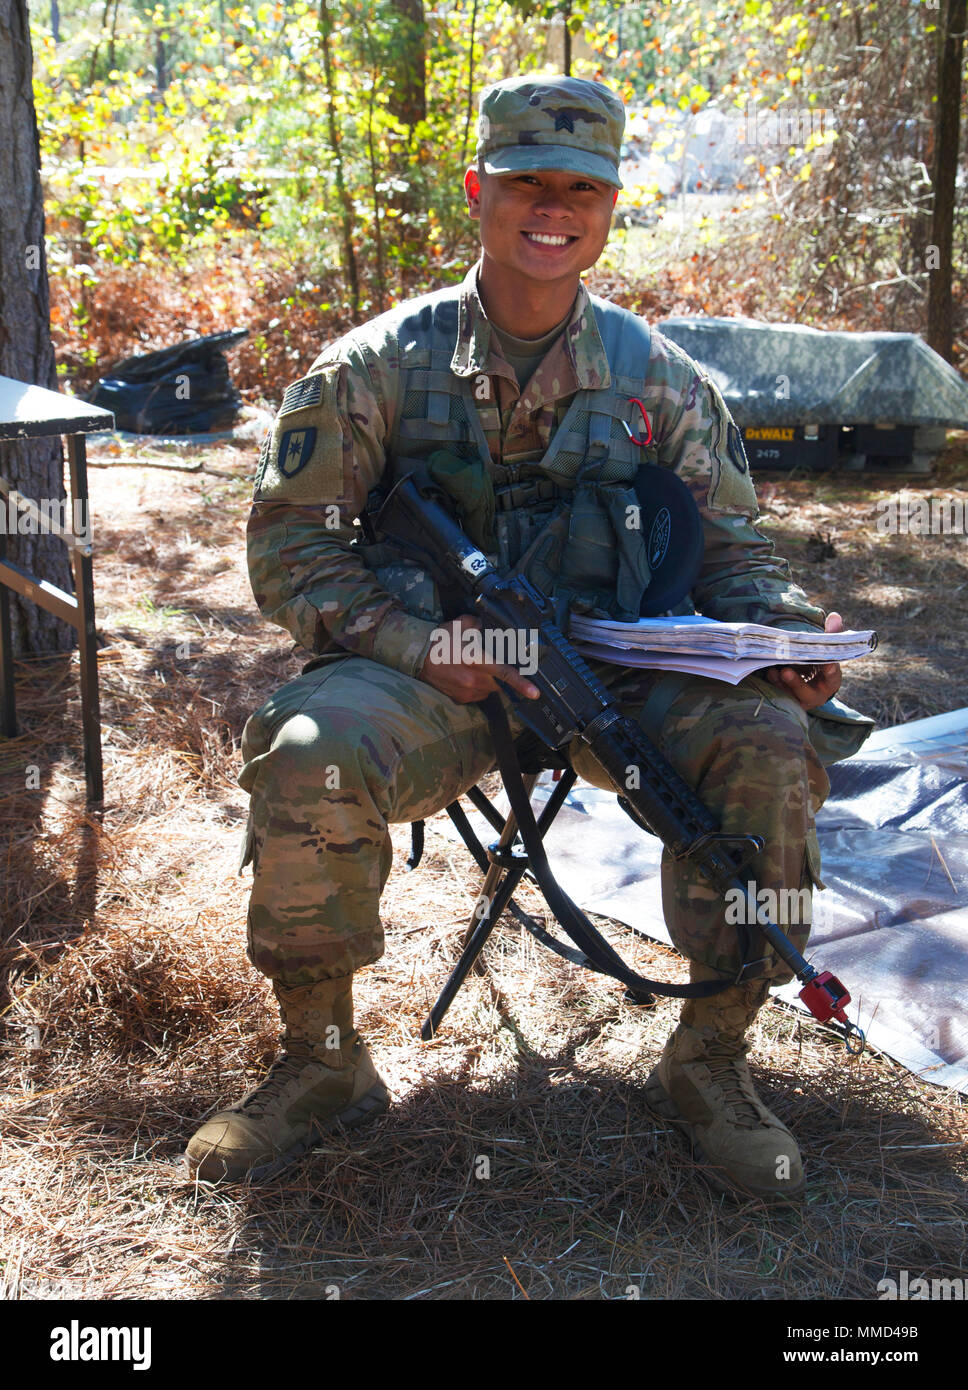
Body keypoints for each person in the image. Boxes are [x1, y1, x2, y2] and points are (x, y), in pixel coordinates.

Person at [182, 74, 873, 1199]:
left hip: (618, 678)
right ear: (476, 192)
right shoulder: (373, 368)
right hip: (436, 679)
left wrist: (783, 636)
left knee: (761, 738)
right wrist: (411, 642)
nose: (551, 209)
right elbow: (290, 548)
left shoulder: (660, 377)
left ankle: (710, 1062)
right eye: (525, 185)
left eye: (580, 190)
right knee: (309, 745)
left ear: (608, 209)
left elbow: (737, 553)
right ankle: (321, 1063)